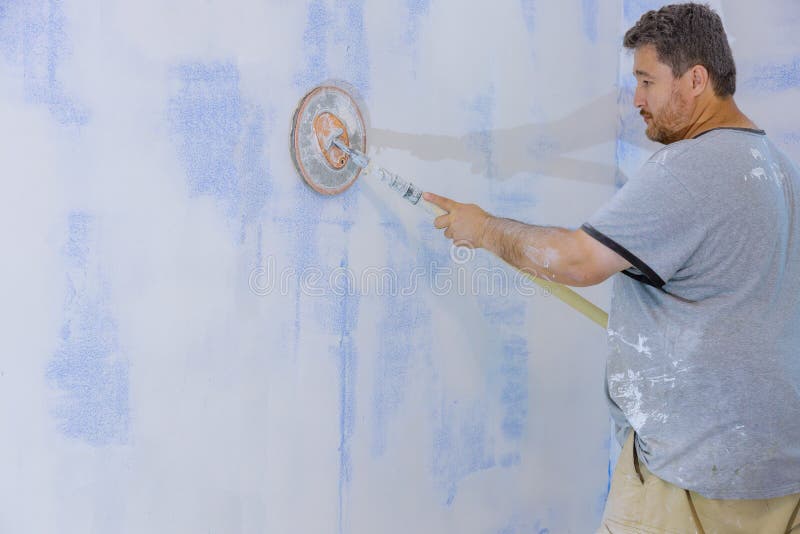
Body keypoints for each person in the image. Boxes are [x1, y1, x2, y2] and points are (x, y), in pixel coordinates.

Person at [423, 3, 800, 532]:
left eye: (647, 81)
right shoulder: (779, 169)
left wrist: (482, 229)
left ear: (696, 80)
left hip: (691, 483)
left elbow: (578, 260)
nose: (637, 99)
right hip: (778, 476)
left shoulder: (688, 169)